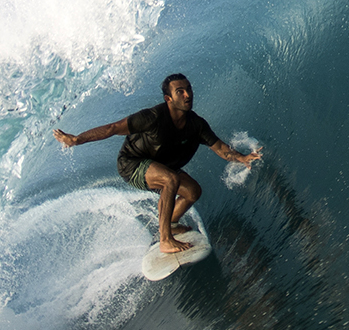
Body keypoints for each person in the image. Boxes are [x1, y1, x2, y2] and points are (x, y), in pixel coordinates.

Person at [54, 73, 262, 254]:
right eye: (180, 92)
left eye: (188, 89)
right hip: (132, 164)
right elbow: (112, 128)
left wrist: (243, 158)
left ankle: (170, 224)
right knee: (169, 179)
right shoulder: (152, 117)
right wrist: (76, 140)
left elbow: (221, 149)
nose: (188, 95)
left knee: (192, 192)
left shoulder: (196, 124)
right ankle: (165, 240)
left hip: (161, 166)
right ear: (168, 98)